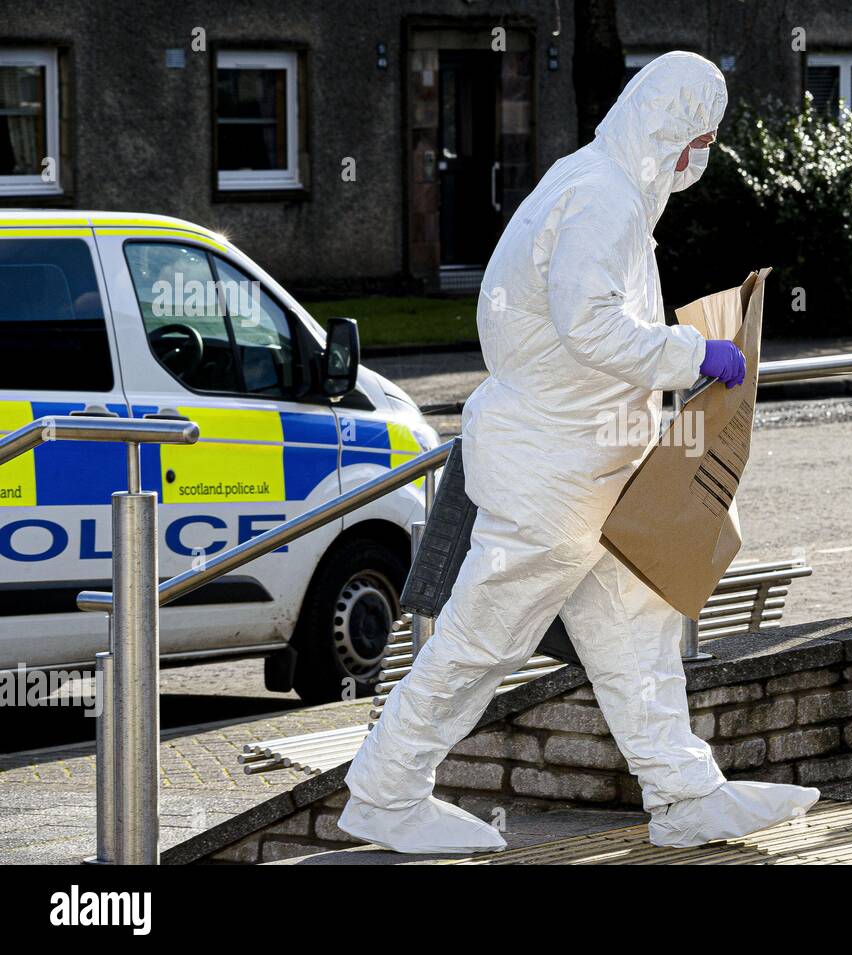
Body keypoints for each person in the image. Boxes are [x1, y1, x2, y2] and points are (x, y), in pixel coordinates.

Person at [340, 50, 818, 853]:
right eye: (699, 139)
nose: (699, 159)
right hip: (553, 480)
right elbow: (588, 323)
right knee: (480, 641)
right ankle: (386, 791)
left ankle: (685, 793)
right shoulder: (602, 198)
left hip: (586, 476)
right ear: (673, 133)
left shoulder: (601, 187)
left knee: (638, 634)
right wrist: (693, 356)